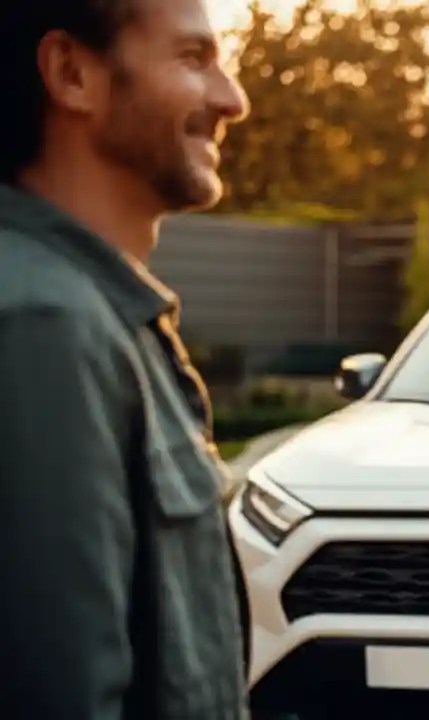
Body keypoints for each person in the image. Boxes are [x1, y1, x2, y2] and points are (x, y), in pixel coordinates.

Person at [0, 0, 252, 717]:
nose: (232, 99)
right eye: (193, 59)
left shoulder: (101, 315)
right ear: (72, 74)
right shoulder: (43, 326)